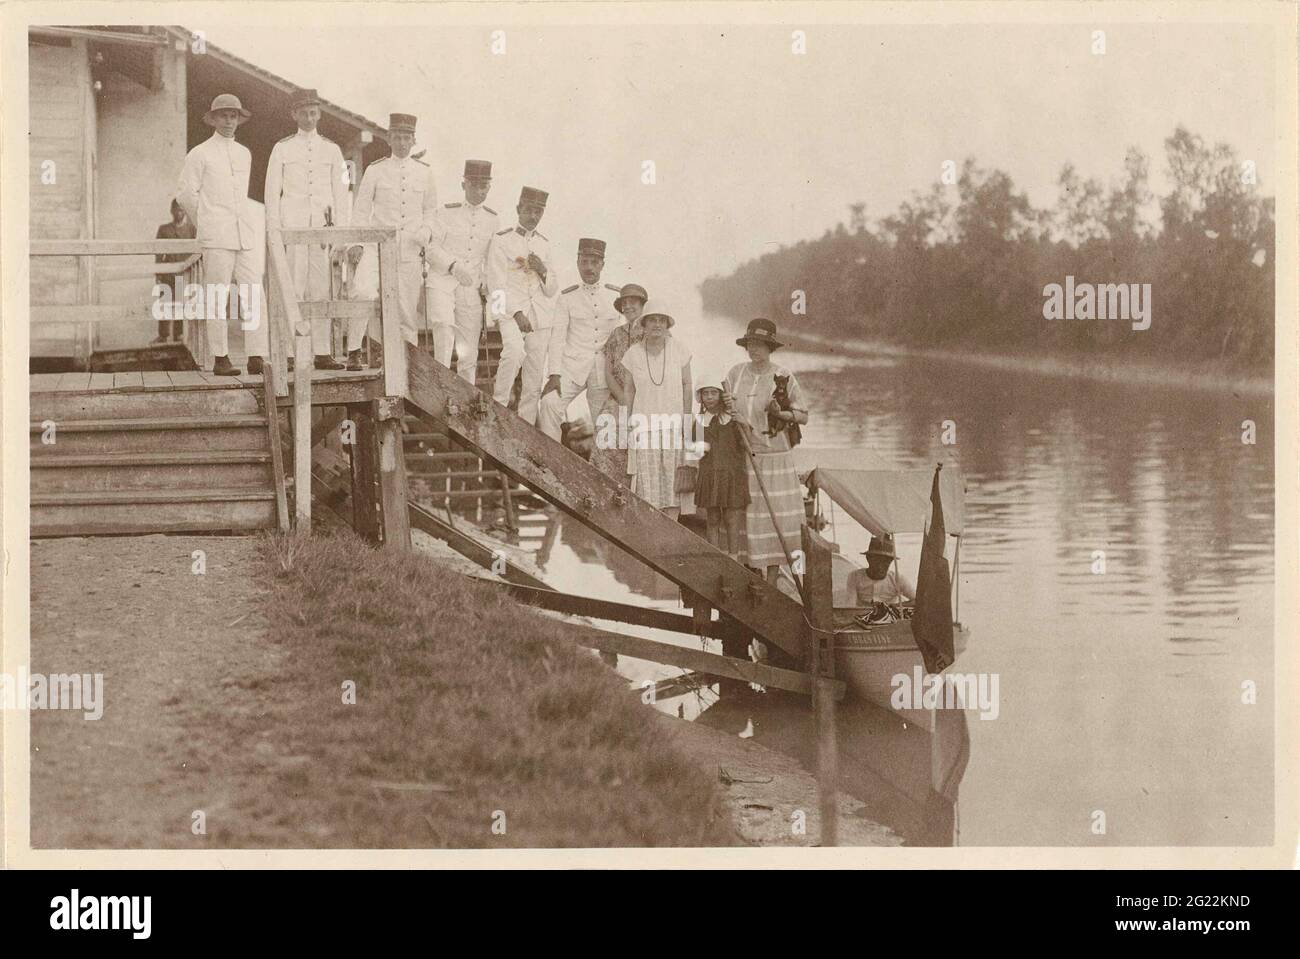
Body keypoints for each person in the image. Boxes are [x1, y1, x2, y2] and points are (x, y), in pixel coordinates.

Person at [347, 113, 468, 370]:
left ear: (413, 140)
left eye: (407, 137)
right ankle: (356, 349)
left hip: (410, 251)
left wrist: (426, 229)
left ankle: (406, 362)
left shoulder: (424, 173)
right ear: (390, 139)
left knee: (405, 313)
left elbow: (430, 212)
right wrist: (357, 244)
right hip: (377, 247)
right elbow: (360, 210)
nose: (402, 142)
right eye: (397, 137)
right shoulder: (375, 170)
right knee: (363, 293)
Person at [261, 87, 353, 374]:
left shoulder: (333, 150)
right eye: (304, 113)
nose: (309, 117)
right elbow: (271, 192)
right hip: (294, 229)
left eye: (313, 112)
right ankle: (290, 353)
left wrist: (341, 232)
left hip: (322, 230)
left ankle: (322, 351)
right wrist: (274, 231)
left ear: (319, 114)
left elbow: (342, 193)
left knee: (321, 289)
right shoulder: (282, 148)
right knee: (294, 288)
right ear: (294, 114)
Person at [175, 93, 257, 376]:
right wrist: (206, 221)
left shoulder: (244, 153)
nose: (229, 121)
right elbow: (185, 193)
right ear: (213, 119)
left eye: (233, 116)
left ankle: (257, 354)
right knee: (217, 296)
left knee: (252, 292)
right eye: (223, 115)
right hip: (216, 236)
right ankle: (220, 357)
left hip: (244, 234)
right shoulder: (200, 153)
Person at [724, 317, 809, 581]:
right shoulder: (735, 374)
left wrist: (781, 413)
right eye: (750, 343)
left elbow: (802, 415)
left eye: (760, 344)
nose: (754, 349)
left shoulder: (783, 376)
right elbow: (725, 411)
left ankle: (774, 580)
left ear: (770, 347)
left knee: (780, 523)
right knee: (750, 520)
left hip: (776, 459)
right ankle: (752, 579)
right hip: (747, 457)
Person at [484, 186, 558, 425]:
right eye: (529, 210)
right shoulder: (502, 239)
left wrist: (542, 269)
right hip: (510, 313)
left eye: (539, 212)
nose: (533, 216)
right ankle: (498, 406)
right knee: (514, 352)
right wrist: (515, 312)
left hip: (539, 318)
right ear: (518, 209)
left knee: (533, 379)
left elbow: (551, 289)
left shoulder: (545, 244)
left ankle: (525, 427)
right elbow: (495, 282)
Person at [537, 238, 623, 441]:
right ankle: (552, 461)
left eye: (594, 262)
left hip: (604, 372)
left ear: (603, 264)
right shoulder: (566, 297)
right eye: (584, 262)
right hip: (572, 367)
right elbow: (556, 338)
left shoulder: (616, 296)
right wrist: (554, 374)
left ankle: (605, 470)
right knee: (549, 403)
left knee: (605, 425)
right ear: (577, 263)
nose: (589, 268)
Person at [428, 159, 498, 384]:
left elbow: (493, 262)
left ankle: (464, 396)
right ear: (464, 185)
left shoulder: (493, 219)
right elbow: (429, 248)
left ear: (489, 187)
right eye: (474, 184)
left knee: (468, 350)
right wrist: (453, 266)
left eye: (484, 185)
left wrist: (491, 296)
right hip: (442, 281)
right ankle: (440, 383)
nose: (479, 190)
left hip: (470, 289)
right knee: (443, 326)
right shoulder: (446, 213)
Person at [620, 301, 692, 516]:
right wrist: (627, 424)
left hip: (673, 426)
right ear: (644, 324)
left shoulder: (679, 349)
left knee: (672, 484)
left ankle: (672, 532)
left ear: (668, 324)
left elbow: (687, 385)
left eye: (662, 320)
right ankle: (651, 537)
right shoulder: (633, 354)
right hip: (644, 427)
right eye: (652, 320)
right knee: (647, 485)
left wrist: (686, 422)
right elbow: (629, 391)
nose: (657, 324)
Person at [590, 282, 647, 480]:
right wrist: (622, 398)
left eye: (634, 302)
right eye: (625, 303)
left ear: (642, 305)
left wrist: (635, 401)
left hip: (645, 399)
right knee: (605, 431)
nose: (629, 307)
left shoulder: (652, 332)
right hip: (619, 397)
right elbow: (608, 372)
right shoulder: (616, 334)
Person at [693, 382, 751, 562]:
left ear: (721, 395)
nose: (709, 397)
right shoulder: (700, 421)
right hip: (710, 475)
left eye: (713, 393)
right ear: (700, 397)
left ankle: (734, 559)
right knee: (712, 518)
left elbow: (749, 445)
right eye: (705, 393)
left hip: (733, 474)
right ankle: (715, 559)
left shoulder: (734, 419)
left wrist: (744, 423)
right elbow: (694, 450)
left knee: (732, 519)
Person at [152, 199, 196, 344]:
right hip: (167, 273)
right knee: (164, 303)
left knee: (181, 303)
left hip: (185, 274)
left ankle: (179, 335)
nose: (179, 213)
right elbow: (158, 253)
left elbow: (196, 253)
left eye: (181, 210)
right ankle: (163, 335)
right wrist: (158, 273)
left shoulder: (192, 229)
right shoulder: (164, 229)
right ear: (171, 211)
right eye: (176, 210)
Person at [847, 534, 916, 606]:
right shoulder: (854, 576)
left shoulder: (897, 579)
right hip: (863, 615)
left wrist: (892, 606)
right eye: (877, 561)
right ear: (868, 558)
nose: (880, 566)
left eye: (886, 562)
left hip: (889, 615)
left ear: (891, 561)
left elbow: (916, 600)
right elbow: (850, 605)